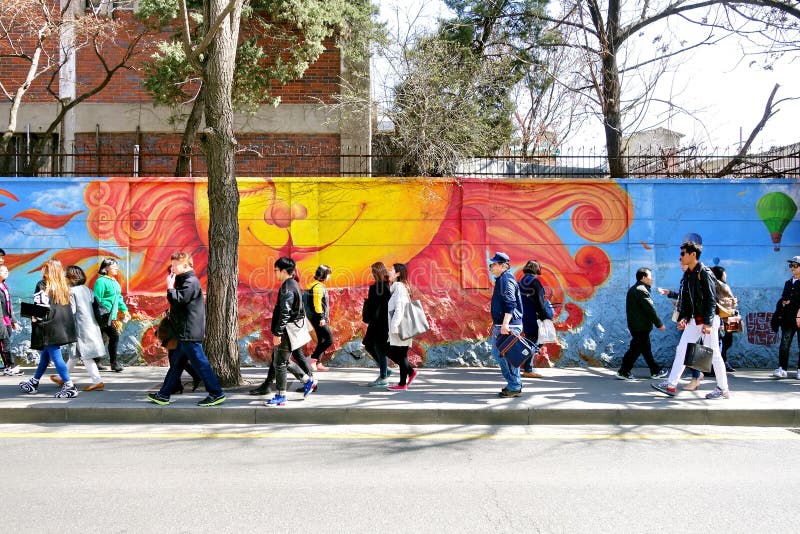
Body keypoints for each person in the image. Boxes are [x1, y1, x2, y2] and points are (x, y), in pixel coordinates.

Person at [146, 252, 226, 407]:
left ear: (186, 266)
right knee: (176, 364)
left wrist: (169, 286)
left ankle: (216, 393)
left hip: (189, 333)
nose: (173, 268)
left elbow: (179, 299)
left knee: (201, 364)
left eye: (176, 265)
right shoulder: (185, 280)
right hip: (184, 333)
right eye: (173, 264)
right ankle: (163, 395)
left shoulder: (190, 281)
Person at [652, 241, 730, 399]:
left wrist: (708, 323)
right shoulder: (688, 274)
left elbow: (710, 299)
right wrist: (684, 318)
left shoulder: (704, 272)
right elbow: (687, 300)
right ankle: (671, 385)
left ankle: (723, 389)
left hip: (708, 320)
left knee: (713, 353)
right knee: (682, 349)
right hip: (694, 320)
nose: (680, 257)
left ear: (692, 255)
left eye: (683, 254)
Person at [18, 259, 79, 398]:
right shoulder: (63, 286)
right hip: (61, 326)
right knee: (46, 355)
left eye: (44, 268)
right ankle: (34, 382)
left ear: (48, 270)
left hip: (48, 326)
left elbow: (40, 307)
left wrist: (33, 317)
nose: (41, 270)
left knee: (56, 357)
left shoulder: (42, 285)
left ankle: (69, 386)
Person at [264, 256, 317, 406]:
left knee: (280, 363)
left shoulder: (287, 287)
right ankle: (308, 381)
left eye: (276, 270)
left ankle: (281, 396)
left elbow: (285, 312)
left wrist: (277, 333)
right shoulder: (293, 284)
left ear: (283, 270)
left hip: (286, 331)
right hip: (290, 329)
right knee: (282, 361)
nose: (275, 273)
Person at [52, 265, 106, 391]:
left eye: (65, 276)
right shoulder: (86, 289)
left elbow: (72, 311)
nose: (64, 278)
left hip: (80, 328)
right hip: (90, 325)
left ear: (71, 278)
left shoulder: (71, 292)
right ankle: (62, 377)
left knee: (85, 355)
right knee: (74, 354)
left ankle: (97, 381)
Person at [616, 267, 667, 380]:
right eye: (650, 277)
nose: (652, 279)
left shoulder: (636, 289)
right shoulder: (641, 290)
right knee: (635, 350)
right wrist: (659, 324)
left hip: (638, 326)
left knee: (645, 349)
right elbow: (650, 309)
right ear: (644, 278)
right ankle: (624, 371)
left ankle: (655, 370)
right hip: (640, 327)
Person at [489, 252, 524, 398]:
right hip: (506, 324)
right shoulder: (503, 279)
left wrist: (505, 324)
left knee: (503, 355)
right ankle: (514, 384)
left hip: (508, 325)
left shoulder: (505, 279)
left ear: (504, 266)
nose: (491, 266)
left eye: (494, 264)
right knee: (504, 355)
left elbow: (510, 303)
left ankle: (514, 385)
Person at [93, 258, 130, 372]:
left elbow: (119, 298)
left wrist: (124, 310)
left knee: (102, 338)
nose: (116, 268)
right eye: (114, 266)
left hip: (110, 316)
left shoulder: (114, 282)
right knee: (114, 336)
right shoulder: (101, 281)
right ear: (106, 268)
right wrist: (99, 314)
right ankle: (113, 363)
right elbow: (97, 299)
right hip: (103, 315)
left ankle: (96, 362)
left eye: (116, 266)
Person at [385, 262, 418, 391]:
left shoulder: (399, 287)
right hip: (402, 325)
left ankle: (403, 382)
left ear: (398, 273)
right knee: (400, 354)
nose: (389, 272)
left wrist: (394, 325)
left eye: (391, 270)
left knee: (398, 353)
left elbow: (400, 308)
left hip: (400, 326)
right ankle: (407, 377)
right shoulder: (398, 287)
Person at [518, 260, 551, 378]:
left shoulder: (521, 281)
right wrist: (545, 317)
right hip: (534, 316)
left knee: (529, 340)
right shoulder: (535, 282)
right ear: (536, 270)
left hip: (523, 316)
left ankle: (524, 365)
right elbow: (539, 302)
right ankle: (527, 369)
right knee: (534, 341)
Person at [362, 262, 392, 387]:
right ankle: (385, 370)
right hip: (383, 322)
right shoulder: (387, 286)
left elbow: (374, 306)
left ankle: (384, 377)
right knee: (369, 344)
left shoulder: (376, 287)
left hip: (378, 323)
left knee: (379, 348)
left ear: (376, 272)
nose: (372, 274)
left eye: (373, 271)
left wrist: (367, 305)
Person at [773, 255, 800, 379]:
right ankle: (782, 368)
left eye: (795, 266)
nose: (792, 268)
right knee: (784, 343)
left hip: (799, 317)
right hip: (788, 319)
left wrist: (792, 301)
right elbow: (784, 296)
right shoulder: (788, 282)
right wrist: (784, 301)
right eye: (791, 266)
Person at [307, 264, 334, 371]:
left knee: (322, 340)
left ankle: (318, 363)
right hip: (318, 318)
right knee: (329, 340)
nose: (329, 277)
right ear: (324, 274)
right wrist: (322, 318)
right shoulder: (318, 286)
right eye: (328, 274)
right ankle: (313, 359)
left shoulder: (316, 285)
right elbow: (317, 304)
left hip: (318, 317)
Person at [711, 265, 737, 373]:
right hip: (720, 317)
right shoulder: (716, 286)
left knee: (726, 341)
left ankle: (723, 362)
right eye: (724, 273)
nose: (726, 275)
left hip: (727, 317)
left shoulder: (723, 285)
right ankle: (716, 367)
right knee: (720, 343)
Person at [0, 265, 22, 376]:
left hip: (6, 320)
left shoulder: (4, 286)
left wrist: (13, 321)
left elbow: (9, 305)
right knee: (5, 343)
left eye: (7, 270)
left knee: (4, 344)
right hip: (1, 322)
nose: (6, 272)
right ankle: (10, 366)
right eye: (3, 270)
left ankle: (7, 366)